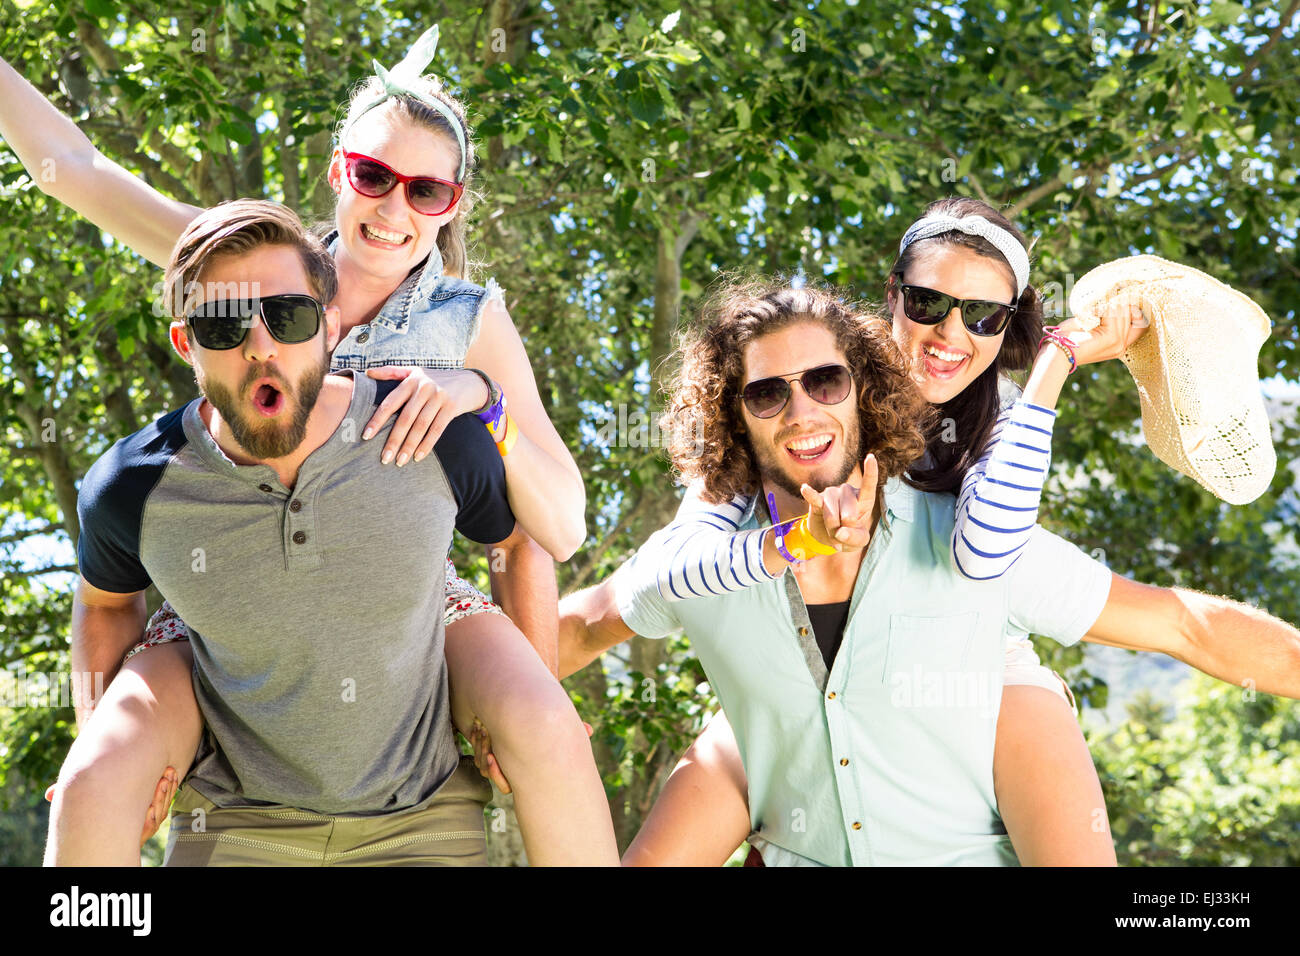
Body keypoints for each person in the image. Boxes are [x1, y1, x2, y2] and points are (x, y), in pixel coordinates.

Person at [2, 28, 600, 859]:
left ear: (453, 204)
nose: (393, 209)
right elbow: (75, 169)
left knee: (548, 727)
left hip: (398, 592)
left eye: (426, 190)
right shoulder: (253, 265)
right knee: (104, 769)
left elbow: (560, 527)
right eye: (373, 175)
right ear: (337, 171)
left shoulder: (466, 321)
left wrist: (478, 396)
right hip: (238, 588)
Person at [554, 277, 1300, 866]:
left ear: (865, 389)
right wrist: (501, 711)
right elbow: (576, 630)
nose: (801, 410)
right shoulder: (700, 565)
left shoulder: (966, 549)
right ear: (732, 415)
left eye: (825, 381)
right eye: (766, 392)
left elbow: (1182, 625)